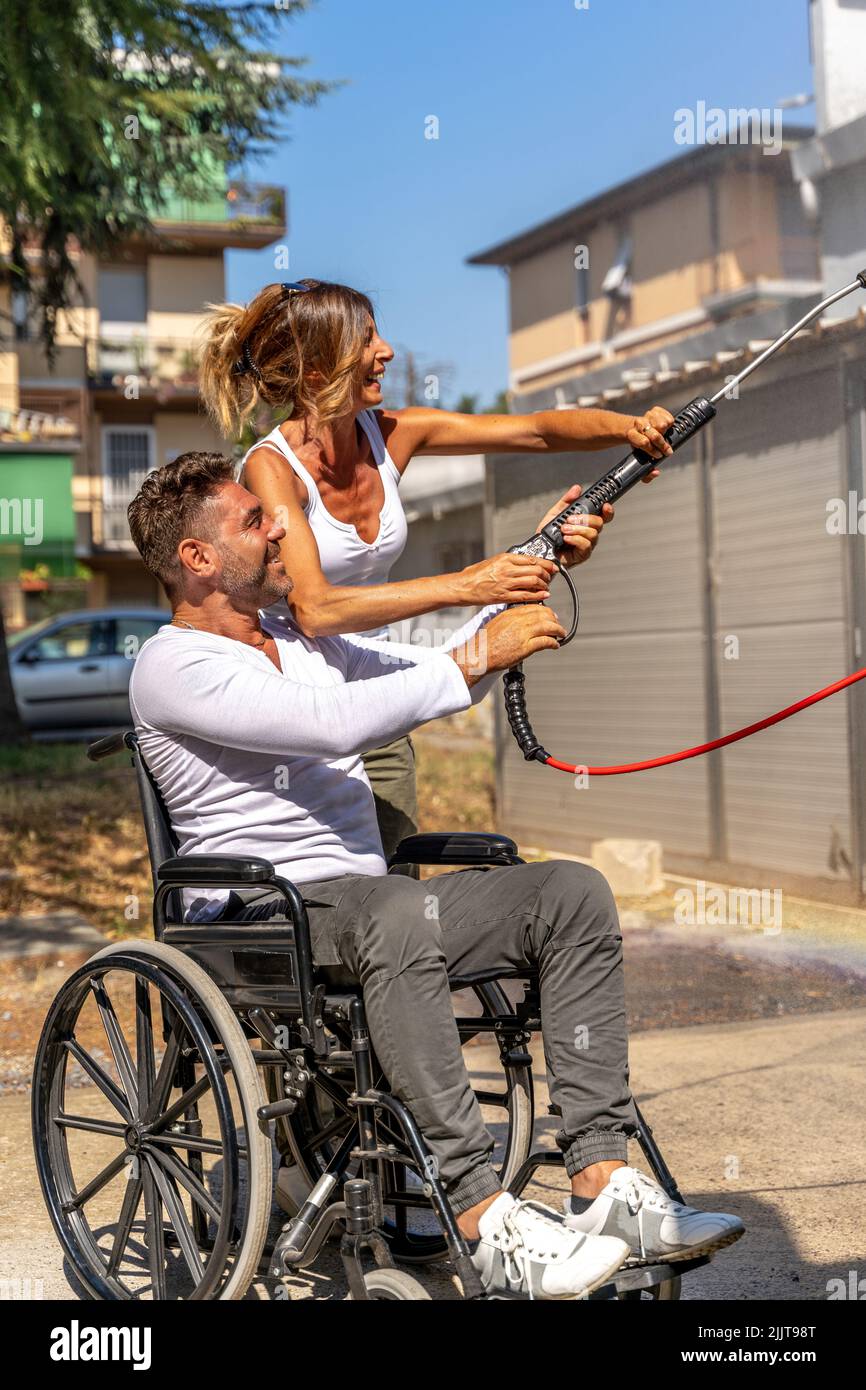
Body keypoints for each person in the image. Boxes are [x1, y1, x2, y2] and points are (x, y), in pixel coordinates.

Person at [126, 453, 744, 1301]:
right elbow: (327, 725)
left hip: (373, 906)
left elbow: (437, 665)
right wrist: (471, 656)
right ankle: (480, 1212)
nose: (278, 526)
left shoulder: (306, 642)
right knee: (394, 908)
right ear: (196, 559)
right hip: (262, 918)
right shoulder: (172, 666)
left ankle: (602, 1181)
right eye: (251, 520)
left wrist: (539, 561)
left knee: (569, 895)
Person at [198, 278, 676, 866]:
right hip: (307, 713)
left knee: (398, 879)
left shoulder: (392, 435)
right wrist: (471, 584)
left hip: (384, 697)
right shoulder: (273, 469)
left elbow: (532, 429)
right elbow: (315, 610)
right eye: (366, 339)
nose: (388, 351)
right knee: (340, 890)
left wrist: (629, 429)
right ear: (318, 374)